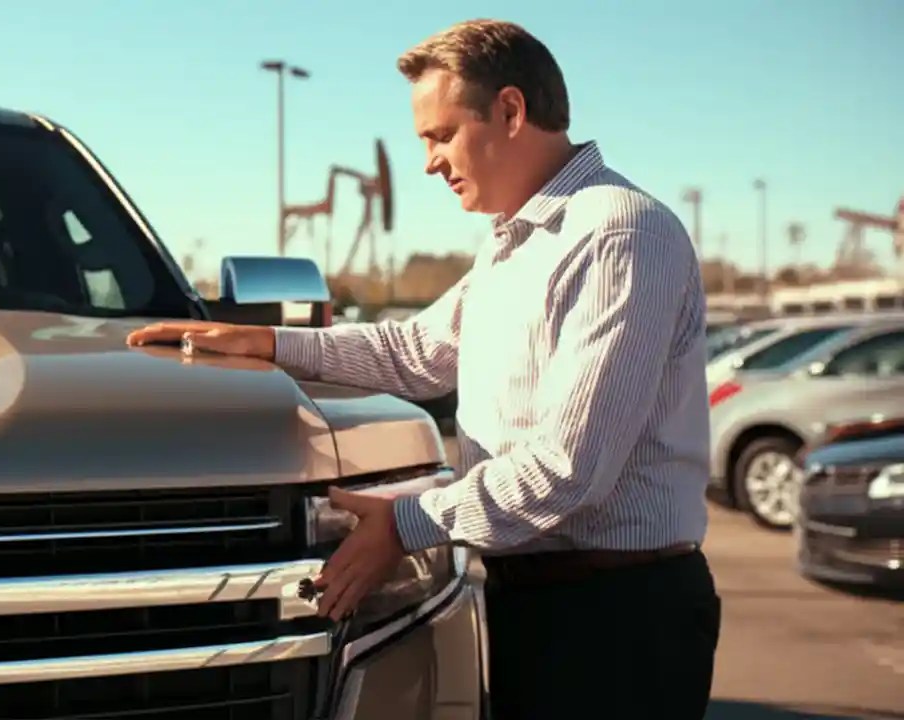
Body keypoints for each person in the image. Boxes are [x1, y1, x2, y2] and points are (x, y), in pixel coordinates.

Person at [127, 18, 720, 720]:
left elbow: (568, 467)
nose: (429, 162)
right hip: (541, 600)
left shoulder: (618, 235)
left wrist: (408, 522)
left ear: (509, 110)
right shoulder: (512, 247)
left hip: (617, 619)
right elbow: (413, 351)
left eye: (439, 135)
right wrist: (269, 344)